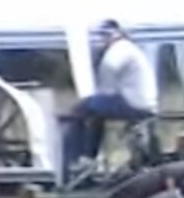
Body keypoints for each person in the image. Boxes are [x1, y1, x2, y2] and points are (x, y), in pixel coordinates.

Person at [64, 20, 158, 173]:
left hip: (133, 103)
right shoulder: (129, 48)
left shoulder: (117, 52)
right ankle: (88, 156)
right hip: (142, 102)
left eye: (104, 37)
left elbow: (106, 88)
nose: (103, 41)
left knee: (80, 109)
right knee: (95, 112)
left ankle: (76, 158)